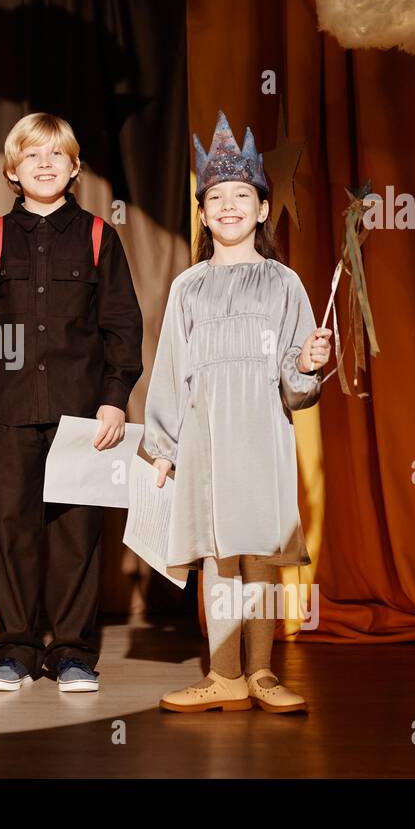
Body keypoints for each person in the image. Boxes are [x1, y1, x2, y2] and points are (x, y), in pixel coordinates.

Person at [0, 112, 144, 693]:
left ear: (74, 168)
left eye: (56, 155)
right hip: (11, 403)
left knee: (76, 530)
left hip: (82, 409)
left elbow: (122, 324)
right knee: (12, 525)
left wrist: (115, 398)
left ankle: (73, 653)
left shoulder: (101, 235)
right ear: (12, 171)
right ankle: (15, 652)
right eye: (31, 157)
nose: (44, 164)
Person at [145, 110, 330, 714]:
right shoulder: (187, 287)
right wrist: (164, 450)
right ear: (202, 212)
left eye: (241, 195)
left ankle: (261, 672)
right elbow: (172, 368)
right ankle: (222, 676)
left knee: (260, 554)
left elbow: (295, 384)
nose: (228, 206)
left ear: (262, 207)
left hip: (262, 437)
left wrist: (306, 360)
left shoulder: (285, 283)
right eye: (216, 197)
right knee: (219, 554)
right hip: (204, 440)